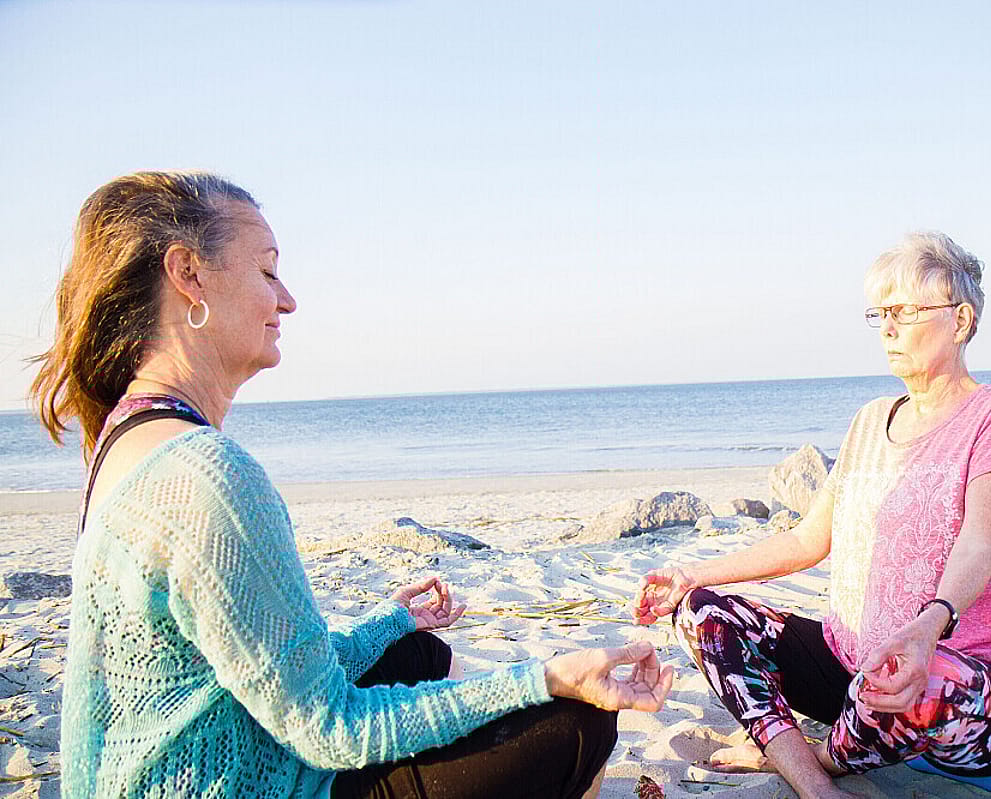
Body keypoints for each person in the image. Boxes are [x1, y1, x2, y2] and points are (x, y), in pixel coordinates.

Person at [32, 171, 673, 799]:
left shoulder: (128, 436)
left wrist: (392, 621)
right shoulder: (207, 476)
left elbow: (265, 670)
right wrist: (544, 677)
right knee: (579, 723)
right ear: (190, 276)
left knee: (417, 652)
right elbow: (329, 730)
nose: (287, 300)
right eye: (267, 271)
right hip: (232, 781)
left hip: (168, 768)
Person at [632, 232, 991, 799]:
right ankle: (813, 780)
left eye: (906, 311)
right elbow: (808, 539)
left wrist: (926, 628)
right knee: (703, 613)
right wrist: (693, 575)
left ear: (960, 321)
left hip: (980, 675)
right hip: (856, 670)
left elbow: (981, 543)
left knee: (920, 677)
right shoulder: (869, 421)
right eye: (880, 312)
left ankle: (814, 755)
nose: (887, 328)